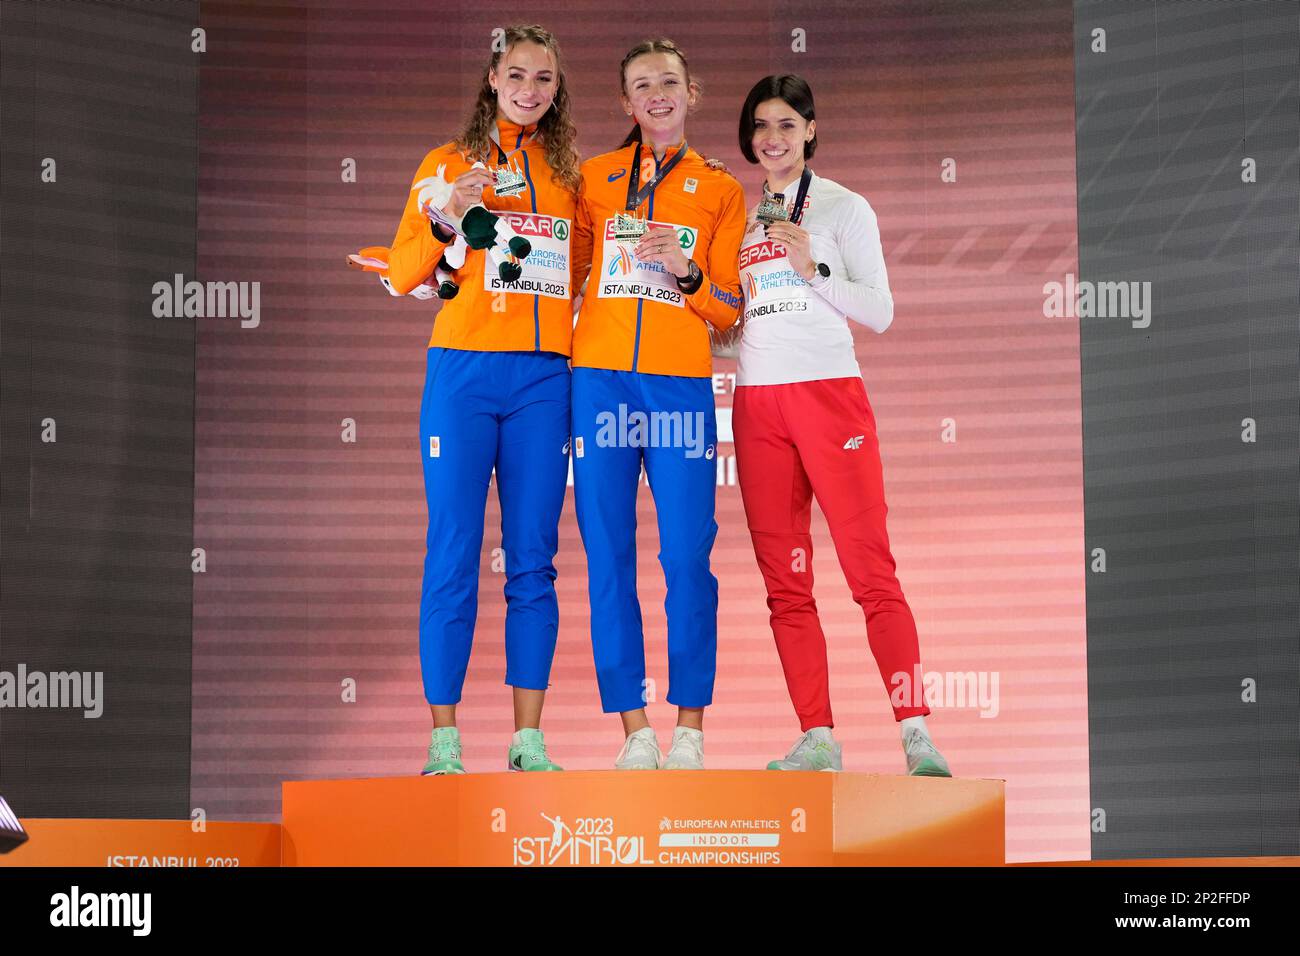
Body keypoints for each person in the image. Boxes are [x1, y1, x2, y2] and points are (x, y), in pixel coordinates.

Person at [731, 74, 952, 776]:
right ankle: (817, 736)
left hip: (830, 396)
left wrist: (815, 265)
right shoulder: (738, 219)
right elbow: (740, 328)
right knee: (784, 584)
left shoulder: (843, 206)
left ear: (811, 131)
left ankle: (917, 734)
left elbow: (880, 311)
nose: (773, 138)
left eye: (788, 125)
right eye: (762, 126)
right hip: (759, 403)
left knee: (870, 571)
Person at [385, 24, 582, 775]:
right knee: (453, 551)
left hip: (542, 381)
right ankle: (444, 739)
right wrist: (444, 215)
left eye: (545, 80)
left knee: (534, 560)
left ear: (557, 92)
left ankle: (528, 739)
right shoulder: (446, 162)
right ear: (492, 80)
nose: (531, 91)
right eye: (518, 76)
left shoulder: (571, 176)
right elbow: (406, 270)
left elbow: (609, 260)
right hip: (463, 375)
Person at [568, 38, 746, 770]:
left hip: (677, 389)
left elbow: (730, 307)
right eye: (642, 85)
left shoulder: (720, 187)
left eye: (669, 81)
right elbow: (556, 277)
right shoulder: (594, 179)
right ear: (626, 101)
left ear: (691, 92)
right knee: (607, 554)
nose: (657, 95)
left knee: (685, 558)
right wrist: (447, 270)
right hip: (600, 382)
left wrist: (688, 269)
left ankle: (690, 730)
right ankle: (635, 729)